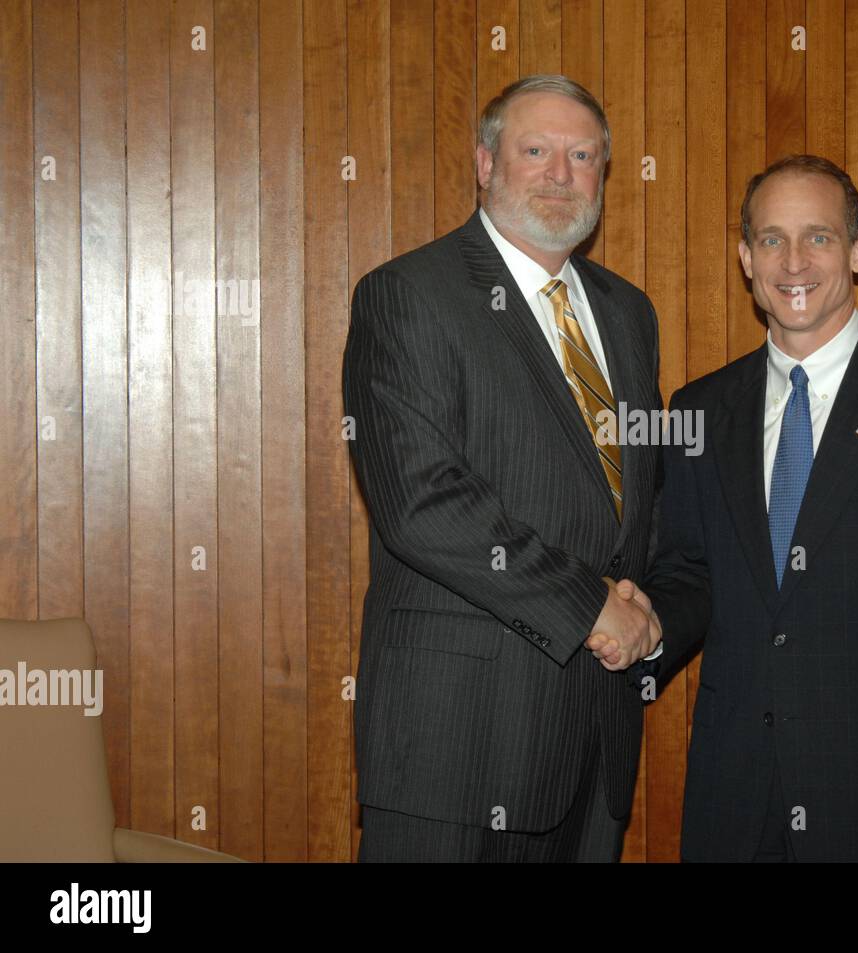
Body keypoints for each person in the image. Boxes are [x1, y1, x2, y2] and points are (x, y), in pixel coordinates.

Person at [611, 154, 858, 862]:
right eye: (771, 239)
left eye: (818, 237)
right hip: (732, 789)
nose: (793, 261)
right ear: (745, 258)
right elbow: (689, 571)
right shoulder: (700, 409)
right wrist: (643, 626)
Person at [343, 74, 663, 862]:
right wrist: (590, 605)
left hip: (592, 740)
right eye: (536, 150)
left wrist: (653, 614)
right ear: (485, 163)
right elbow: (422, 502)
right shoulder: (408, 295)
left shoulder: (627, 313)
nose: (561, 173)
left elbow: (636, 507)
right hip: (457, 741)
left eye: (583, 154)